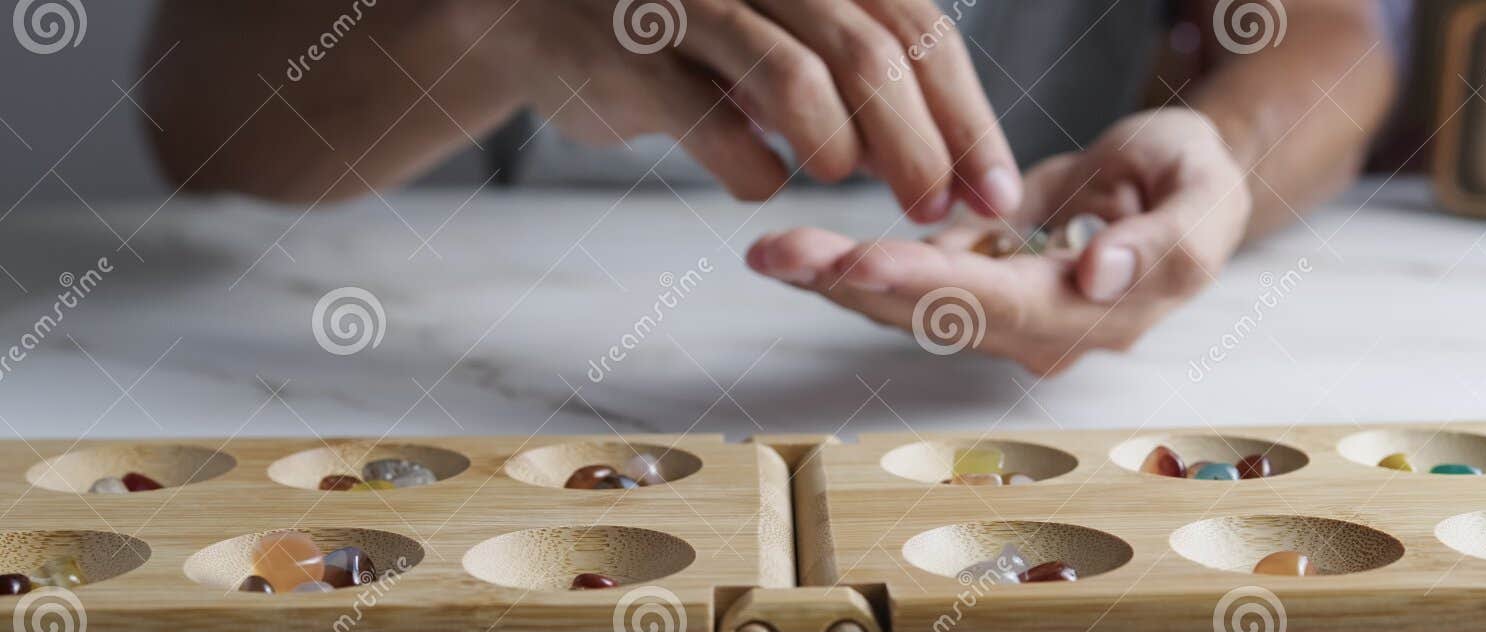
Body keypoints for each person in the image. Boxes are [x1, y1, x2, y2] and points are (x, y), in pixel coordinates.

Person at [143, 0, 1404, 375]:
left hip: (1007, 395)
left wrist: (1219, 156)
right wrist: (502, 23)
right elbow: (204, 123)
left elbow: (1327, 36)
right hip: (491, 334)